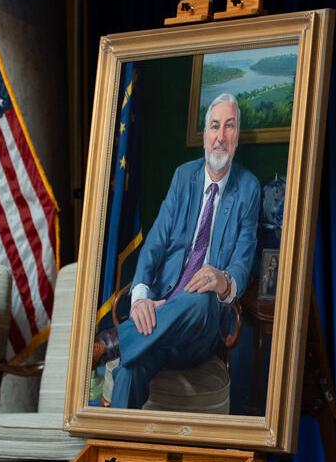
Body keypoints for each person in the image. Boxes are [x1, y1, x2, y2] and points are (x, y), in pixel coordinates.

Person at [94, 92, 260, 409]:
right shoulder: (184, 177)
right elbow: (155, 243)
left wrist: (222, 279)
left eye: (229, 127)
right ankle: (116, 455)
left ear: (237, 136)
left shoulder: (248, 188)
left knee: (198, 299)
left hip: (202, 328)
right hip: (159, 318)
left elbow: (243, 259)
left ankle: (110, 343)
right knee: (130, 369)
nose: (220, 137)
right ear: (204, 135)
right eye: (214, 126)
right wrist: (141, 298)